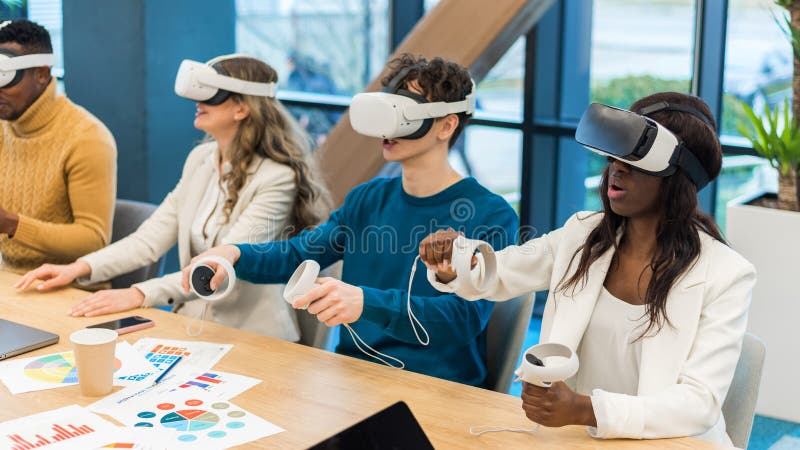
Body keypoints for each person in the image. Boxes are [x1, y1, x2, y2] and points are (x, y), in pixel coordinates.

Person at [419, 92, 755, 445]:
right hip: (579, 440)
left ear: (678, 177)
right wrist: (454, 261)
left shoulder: (727, 274)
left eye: (636, 159)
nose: (617, 167)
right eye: (615, 154)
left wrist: (586, 410)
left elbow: (698, 405)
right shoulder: (581, 233)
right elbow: (499, 272)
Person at [183, 54, 519, 387]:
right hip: (352, 378)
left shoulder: (492, 216)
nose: (389, 127)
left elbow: (463, 319)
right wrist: (234, 254)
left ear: (446, 125)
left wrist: (365, 303)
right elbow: (300, 254)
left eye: (405, 113)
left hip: (436, 387)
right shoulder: (368, 199)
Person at [15, 55, 327, 341]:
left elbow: (221, 267)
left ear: (241, 108)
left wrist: (138, 293)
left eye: (211, 96)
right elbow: (149, 239)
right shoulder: (201, 160)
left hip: (254, 337)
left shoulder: (277, 178)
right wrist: (79, 268)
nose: (198, 103)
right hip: (192, 327)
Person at [0, 19, 116, 271]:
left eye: (4, 76)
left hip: (69, 288)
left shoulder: (87, 137)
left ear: (42, 73)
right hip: (9, 281)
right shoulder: (3, 126)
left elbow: (94, 238)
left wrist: (12, 224)